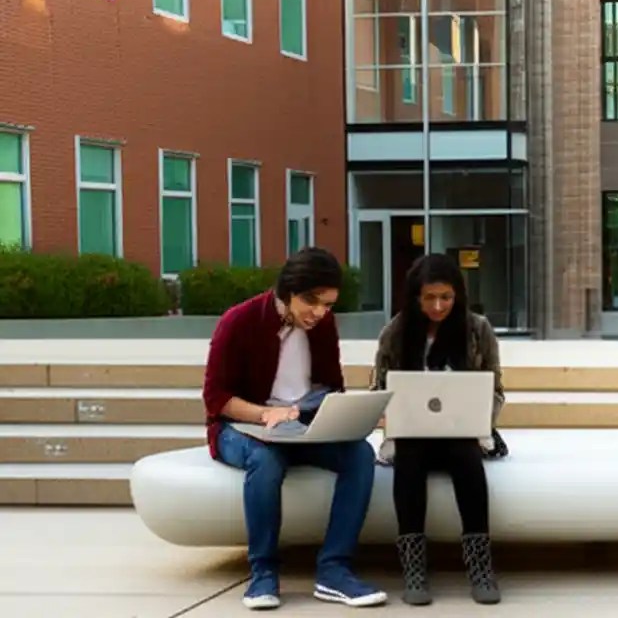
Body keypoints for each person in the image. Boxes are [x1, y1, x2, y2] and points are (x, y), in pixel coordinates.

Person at [202, 247, 386, 610]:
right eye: (311, 301)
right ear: (287, 290)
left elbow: (332, 387)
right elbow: (216, 398)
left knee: (360, 454)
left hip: (301, 427)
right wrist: (264, 415)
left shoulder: (323, 327)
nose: (319, 313)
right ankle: (263, 574)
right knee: (266, 461)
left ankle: (334, 570)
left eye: (328, 305)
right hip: (241, 427)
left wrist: (344, 414)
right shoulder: (238, 321)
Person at [369, 253, 505, 606]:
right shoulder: (396, 333)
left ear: (458, 294)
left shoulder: (477, 330)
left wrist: (480, 422)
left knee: (467, 461)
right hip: (412, 435)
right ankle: (414, 569)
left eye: (446, 297)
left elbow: (495, 391)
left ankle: (480, 566)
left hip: (462, 434)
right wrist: (390, 418)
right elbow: (378, 392)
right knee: (410, 462)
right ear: (415, 297)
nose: (438, 306)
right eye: (429, 298)